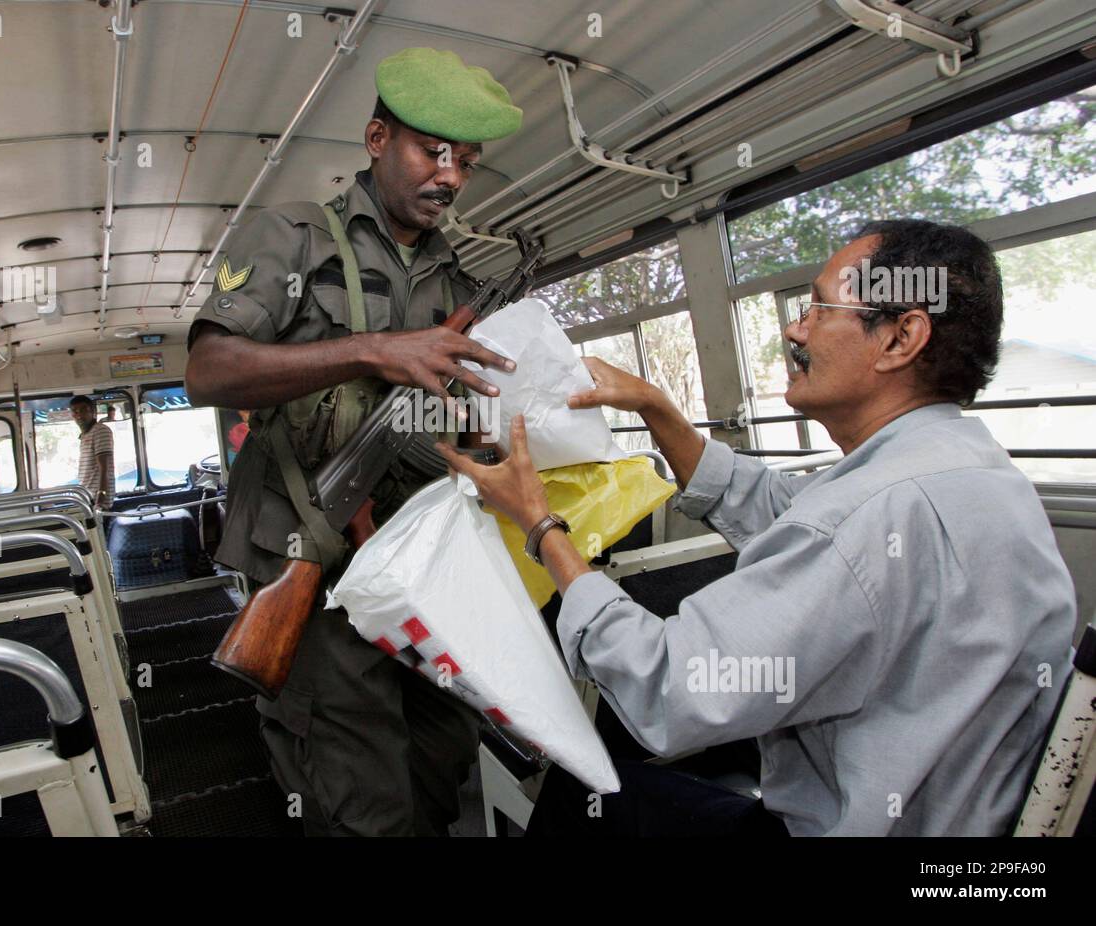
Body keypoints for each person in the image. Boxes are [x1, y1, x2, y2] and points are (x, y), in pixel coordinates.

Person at [438, 219, 1077, 836]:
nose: (795, 329)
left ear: (899, 338)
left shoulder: (866, 516)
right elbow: (786, 508)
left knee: (584, 791)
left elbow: (667, 688)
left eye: (818, 309)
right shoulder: (968, 467)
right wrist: (657, 407)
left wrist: (540, 521)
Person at [184, 48, 522, 835]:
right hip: (316, 556)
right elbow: (208, 368)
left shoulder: (454, 277)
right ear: (376, 138)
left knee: (443, 759)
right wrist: (373, 350)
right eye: (432, 151)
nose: (449, 177)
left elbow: (456, 413)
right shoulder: (290, 238)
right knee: (359, 793)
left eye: (465, 163)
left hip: (424, 563)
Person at [69, 394, 114, 511]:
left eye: (83, 410)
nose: (79, 415)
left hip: (97, 501)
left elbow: (105, 469)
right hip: (87, 498)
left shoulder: (100, 430)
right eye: (75, 411)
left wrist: (100, 499)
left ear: (92, 411)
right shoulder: (85, 435)